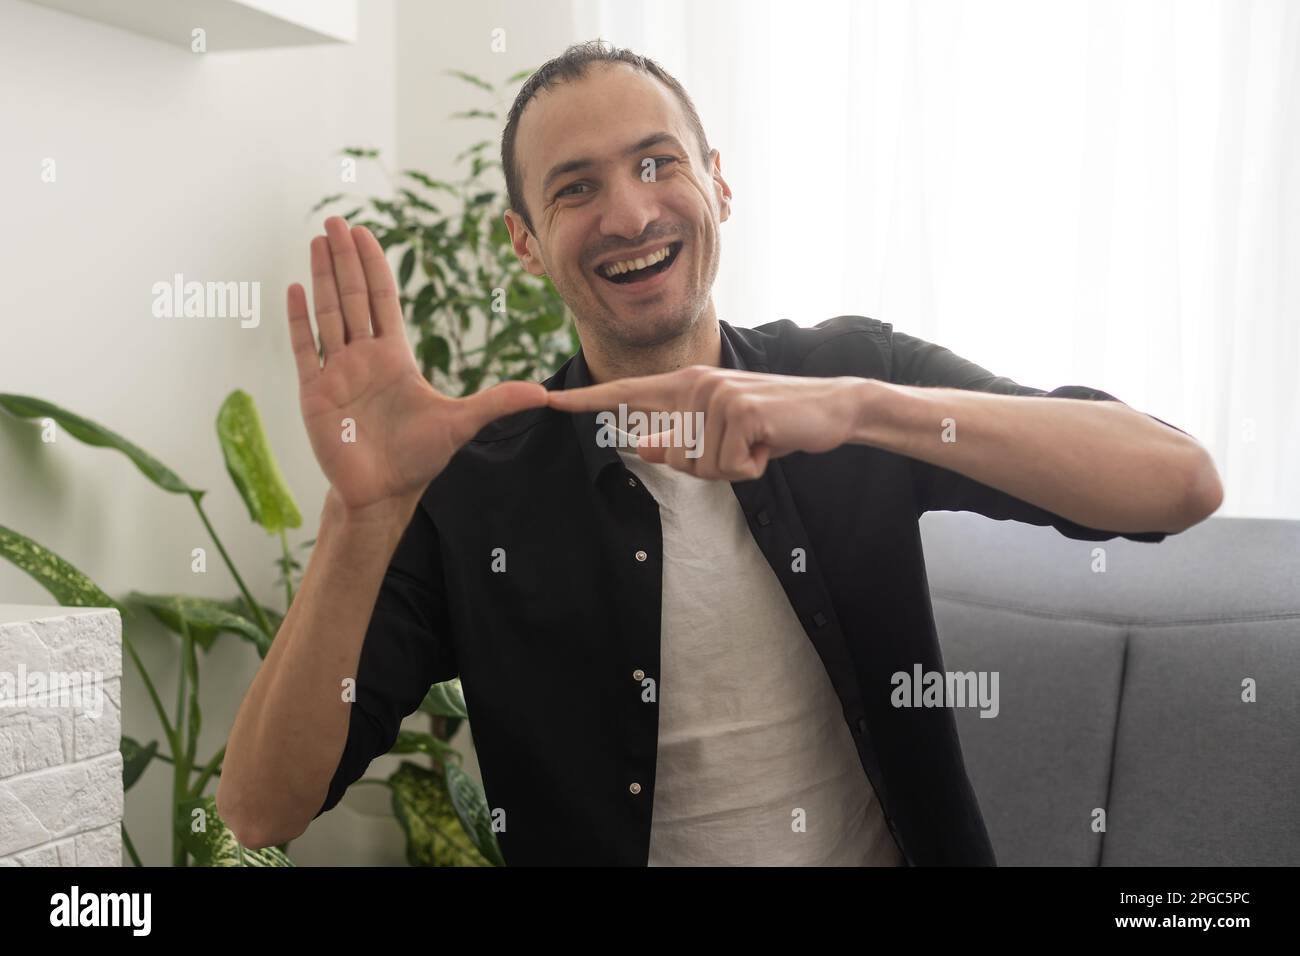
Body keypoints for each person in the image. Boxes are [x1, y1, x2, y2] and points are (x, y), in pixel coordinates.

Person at [216, 41, 1222, 866]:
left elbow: (1176, 483)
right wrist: (363, 517)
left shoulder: (844, 373)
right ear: (525, 243)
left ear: (718, 184)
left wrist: (865, 409)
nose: (630, 211)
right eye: (575, 189)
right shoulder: (479, 487)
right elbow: (263, 808)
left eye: (658, 162)